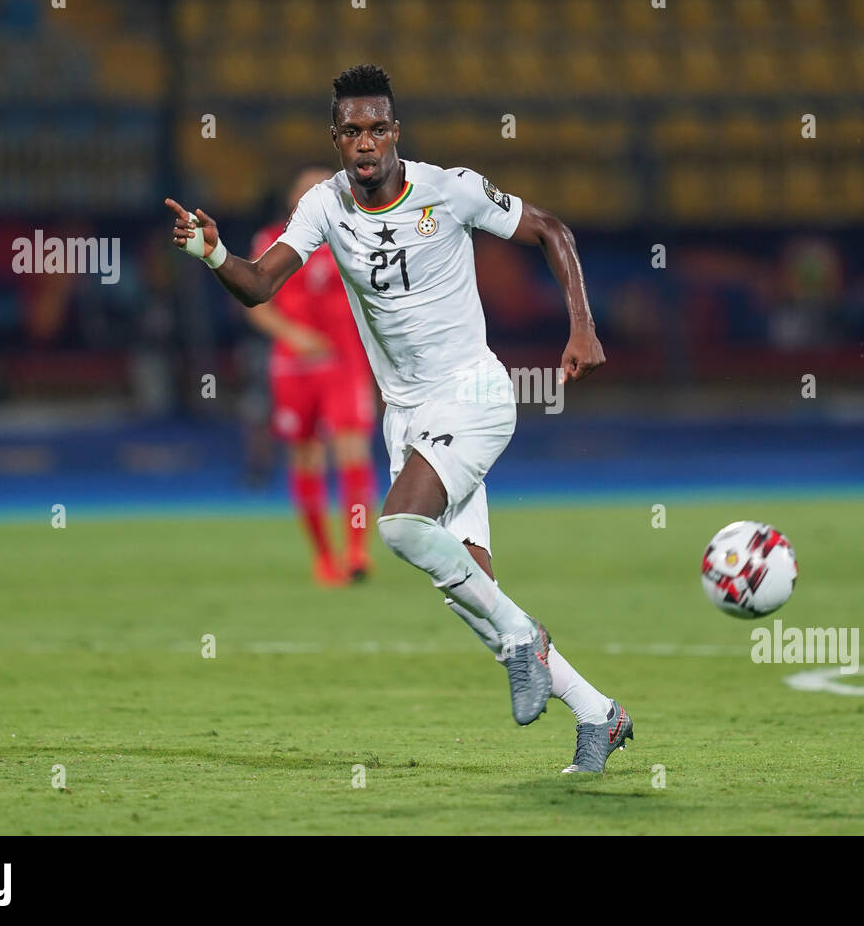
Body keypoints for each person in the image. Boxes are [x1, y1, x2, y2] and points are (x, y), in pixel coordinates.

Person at [166, 65, 632, 773]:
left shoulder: (447, 189)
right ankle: (599, 713)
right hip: (407, 417)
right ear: (335, 137)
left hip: (472, 394)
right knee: (470, 594)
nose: (365, 142)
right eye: (351, 130)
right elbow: (260, 284)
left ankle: (525, 636)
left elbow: (550, 229)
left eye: (377, 128)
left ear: (395, 133)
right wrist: (212, 252)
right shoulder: (325, 207)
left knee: (401, 526)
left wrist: (582, 327)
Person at [245, 168, 377, 585]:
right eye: (306, 190)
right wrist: (291, 334)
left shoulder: (357, 236)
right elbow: (252, 298)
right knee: (305, 456)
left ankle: (356, 552)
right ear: (293, 199)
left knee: (352, 451)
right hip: (293, 366)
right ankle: (323, 557)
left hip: (343, 363)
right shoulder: (271, 241)